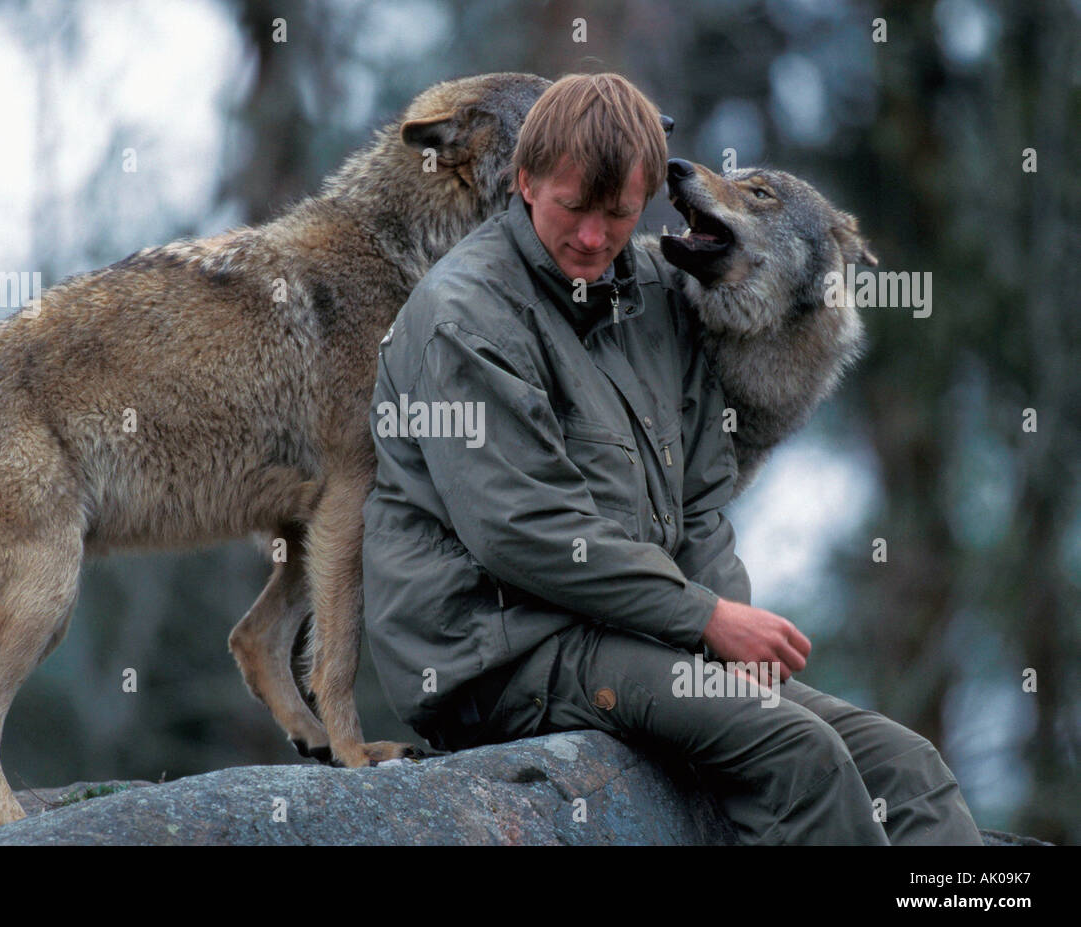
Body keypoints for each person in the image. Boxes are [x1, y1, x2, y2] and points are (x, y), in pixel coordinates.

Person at [361, 73, 982, 845]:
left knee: (906, 765)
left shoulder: (659, 289)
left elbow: (700, 502)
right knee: (798, 756)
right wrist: (707, 619)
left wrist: (728, 633)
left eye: (618, 214)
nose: (592, 239)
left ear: (650, 196)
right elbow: (522, 531)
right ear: (523, 180)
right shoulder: (465, 316)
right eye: (571, 209)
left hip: (631, 635)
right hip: (500, 653)